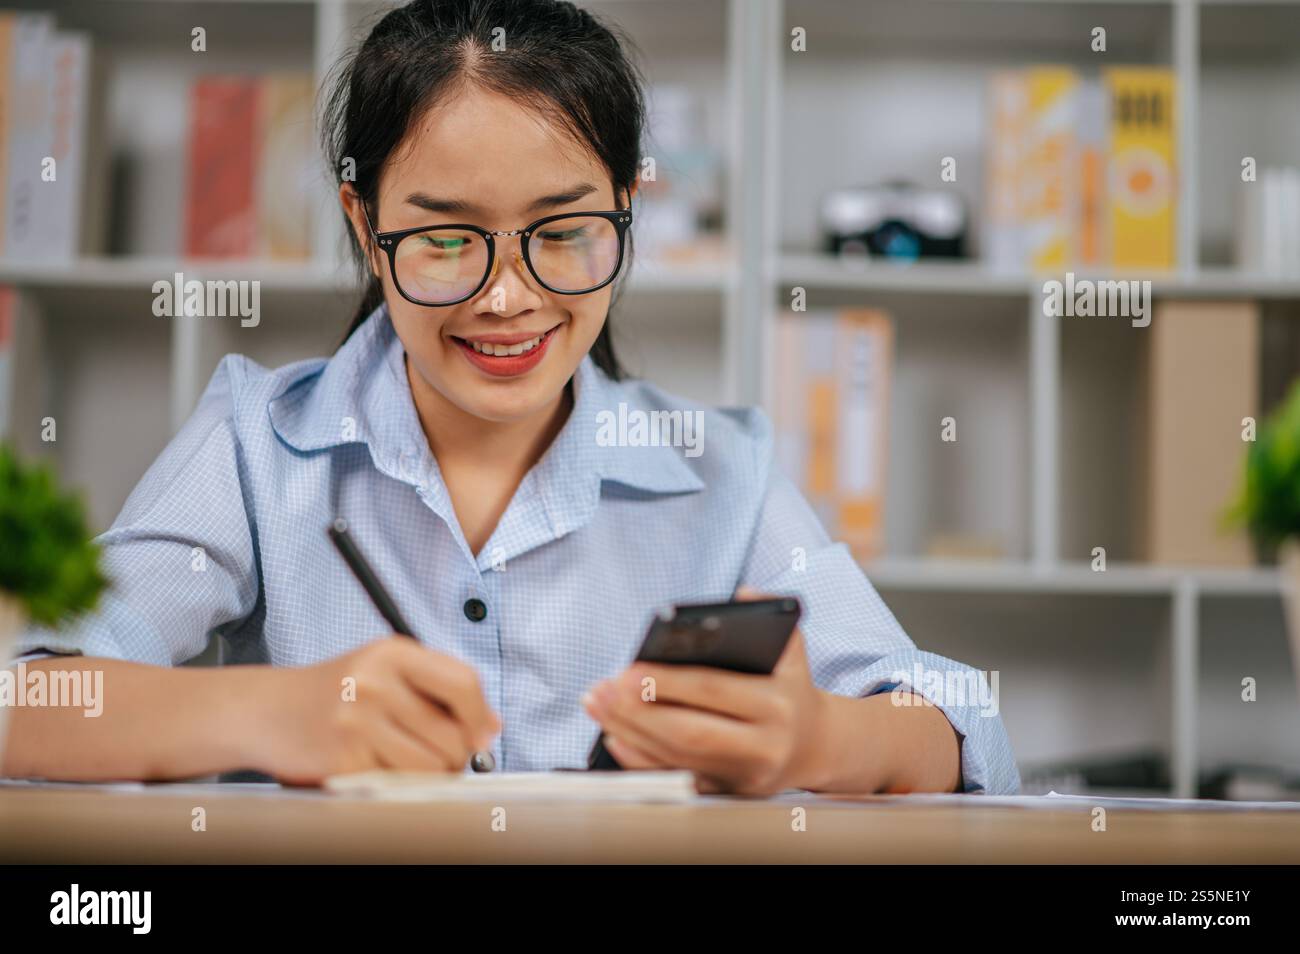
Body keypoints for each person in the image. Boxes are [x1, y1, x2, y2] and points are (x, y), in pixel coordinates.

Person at [4, 0, 1017, 795]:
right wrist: (274, 714)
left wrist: (820, 738)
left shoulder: (716, 470)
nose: (506, 296)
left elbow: (960, 719)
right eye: (445, 237)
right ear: (364, 223)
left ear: (627, 209)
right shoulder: (253, 446)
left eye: (564, 231)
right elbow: (25, 698)